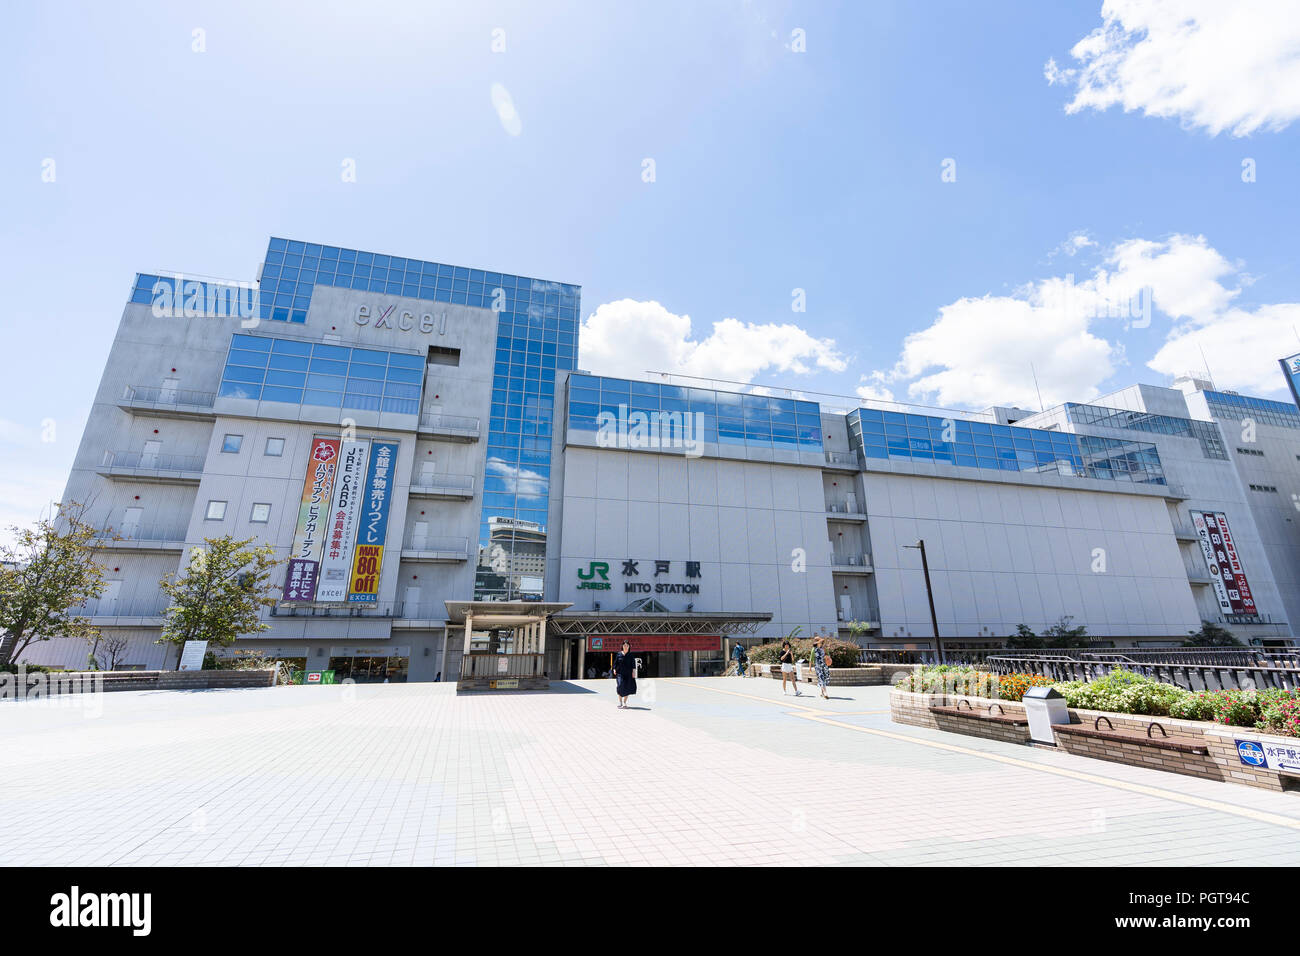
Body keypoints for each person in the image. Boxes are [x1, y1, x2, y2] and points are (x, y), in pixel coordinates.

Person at [613, 640, 638, 708]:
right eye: (624, 646)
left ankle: (624, 702)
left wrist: (634, 673)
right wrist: (614, 669)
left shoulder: (630, 655)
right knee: (620, 685)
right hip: (620, 674)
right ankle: (620, 702)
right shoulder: (619, 654)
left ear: (629, 647)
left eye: (627, 646)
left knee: (627, 688)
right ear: (622, 646)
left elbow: (633, 665)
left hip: (628, 674)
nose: (626, 647)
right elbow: (615, 663)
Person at [813, 635, 831, 699]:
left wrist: (828, 659)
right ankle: (825, 693)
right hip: (818, 666)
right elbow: (820, 641)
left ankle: (822, 692)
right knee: (821, 678)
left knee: (824, 678)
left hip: (824, 665)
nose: (820, 642)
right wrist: (819, 639)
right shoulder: (815, 648)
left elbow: (826, 655)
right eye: (819, 641)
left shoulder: (823, 648)